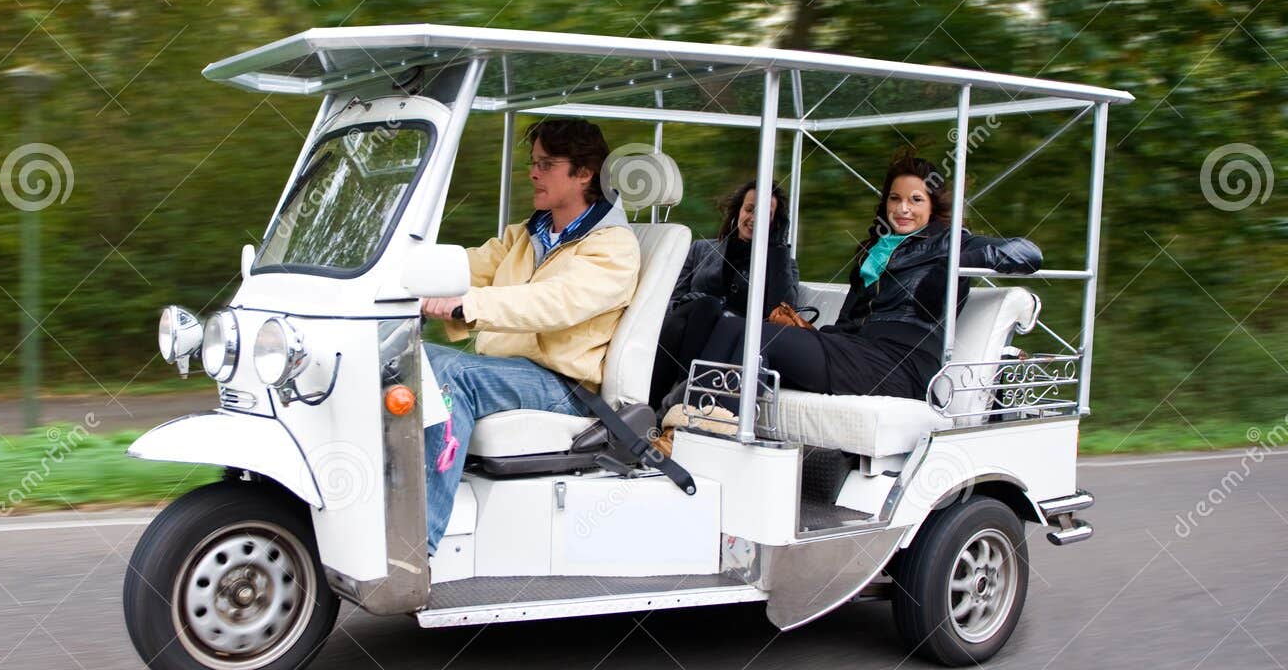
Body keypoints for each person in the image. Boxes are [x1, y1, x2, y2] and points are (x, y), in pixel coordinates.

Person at [419, 118, 641, 553]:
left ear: (583, 173)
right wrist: (402, 279)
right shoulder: (528, 234)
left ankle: (415, 546)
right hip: (510, 372)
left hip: (564, 386)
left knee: (451, 374)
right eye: (533, 163)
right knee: (406, 356)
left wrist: (470, 305)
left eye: (546, 164)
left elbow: (555, 302)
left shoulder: (612, 246)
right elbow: (468, 265)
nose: (533, 173)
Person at [694, 146, 1042, 402]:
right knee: (730, 325)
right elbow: (851, 320)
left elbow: (1027, 253)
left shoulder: (950, 242)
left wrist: (955, 259)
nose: (902, 208)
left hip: (901, 364)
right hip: (856, 350)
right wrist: (817, 336)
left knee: (758, 338)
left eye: (916, 200)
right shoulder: (874, 249)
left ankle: (706, 429)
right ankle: (688, 423)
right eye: (895, 198)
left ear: (932, 205)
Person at [650, 178, 800, 408]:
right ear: (738, 210)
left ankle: (666, 402)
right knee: (703, 307)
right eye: (749, 209)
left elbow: (781, 313)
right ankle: (680, 397)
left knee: (709, 309)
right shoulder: (701, 249)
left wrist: (778, 249)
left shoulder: (782, 264)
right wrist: (688, 304)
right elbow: (670, 303)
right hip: (685, 327)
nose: (753, 219)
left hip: (732, 341)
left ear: (775, 223)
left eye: (765, 215)